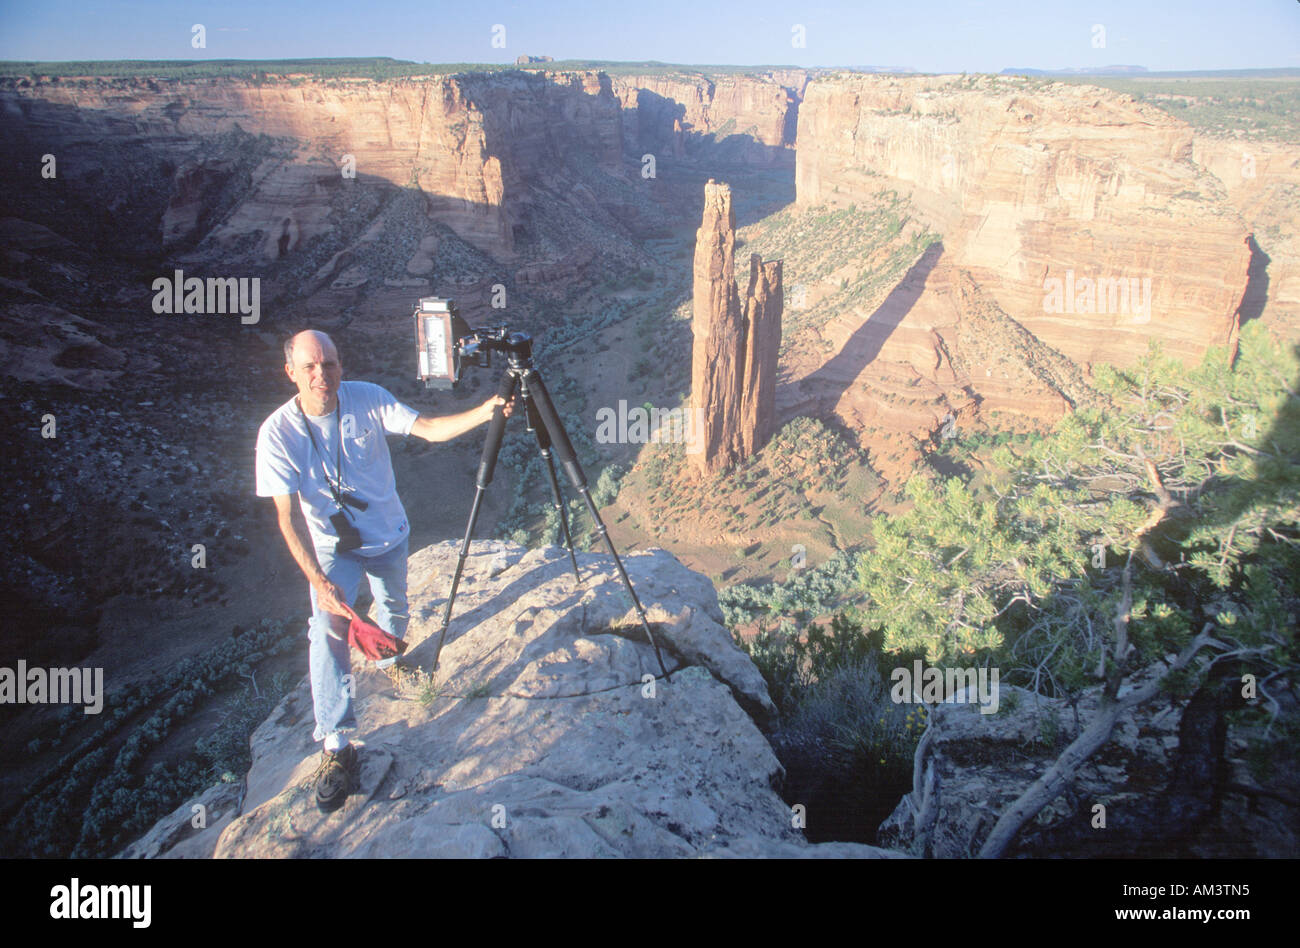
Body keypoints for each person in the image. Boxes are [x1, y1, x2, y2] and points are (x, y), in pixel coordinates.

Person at [255, 329, 510, 812]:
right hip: (333, 550)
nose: (320, 374)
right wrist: (319, 582)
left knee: (394, 608)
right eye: (309, 366)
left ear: (341, 365)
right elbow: (286, 520)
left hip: (388, 536)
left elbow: (429, 428)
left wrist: (485, 411)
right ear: (290, 372)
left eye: (328, 363)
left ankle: (390, 662)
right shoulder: (277, 434)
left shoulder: (367, 399)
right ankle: (336, 745)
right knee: (325, 628)